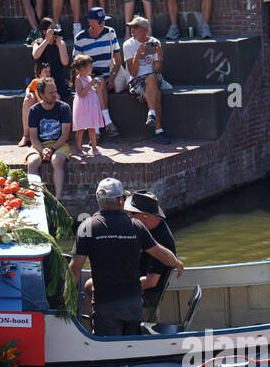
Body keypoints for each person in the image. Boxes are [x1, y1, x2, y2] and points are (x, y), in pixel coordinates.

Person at [70, 177, 183, 336]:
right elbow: (160, 252)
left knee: (107, 349)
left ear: (98, 199)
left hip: (105, 303)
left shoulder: (87, 226)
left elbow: (75, 269)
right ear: (120, 200)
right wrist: (176, 262)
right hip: (132, 304)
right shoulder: (136, 225)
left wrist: (66, 299)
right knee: (130, 345)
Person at [124, 190, 177, 318]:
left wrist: (120, 285)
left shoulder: (160, 241)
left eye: (133, 213)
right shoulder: (151, 228)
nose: (128, 215)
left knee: (92, 287)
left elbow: (151, 282)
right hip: (136, 281)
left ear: (146, 215)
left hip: (148, 295)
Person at [72, 6, 119, 136]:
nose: (103, 23)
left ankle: (96, 129)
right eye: (100, 21)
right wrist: (89, 77)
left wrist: (113, 76)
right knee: (98, 82)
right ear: (91, 22)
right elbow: (76, 64)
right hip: (87, 76)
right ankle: (107, 123)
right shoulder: (80, 37)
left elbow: (118, 59)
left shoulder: (110, 32)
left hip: (107, 75)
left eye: (104, 20)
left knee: (99, 82)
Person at [123, 14, 168, 144]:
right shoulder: (128, 45)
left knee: (152, 78)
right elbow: (133, 72)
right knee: (156, 92)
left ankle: (152, 115)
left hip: (152, 77)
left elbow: (156, 69)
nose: (132, 30)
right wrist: (138, 53)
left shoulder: (154, 42)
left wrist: (159, 57)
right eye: (131, 28)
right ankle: (158, 130)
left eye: (135, 28)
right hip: (136, 80)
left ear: (144, 30)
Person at [24, 76, 72, 197]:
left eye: (55, 91)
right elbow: (33, 137)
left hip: (58, 144)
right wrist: (42, 150)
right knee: (32, 162)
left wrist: (52, 149)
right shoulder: (34, 110)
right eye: (51, 93)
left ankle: (58, 198)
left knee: (57, 160)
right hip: (39, 144)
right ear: (41, 95)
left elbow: (65, 135)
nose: (55, 95)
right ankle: (34, 196)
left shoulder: (64, 108)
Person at [69, 53, 100, 155]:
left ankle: (94, 147)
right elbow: (81, 93)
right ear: (81, 68)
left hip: (91, 105)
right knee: (80, 128)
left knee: (92, 127)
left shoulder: (88, 77)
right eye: (88, 67)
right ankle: (78, 148)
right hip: (82, 106)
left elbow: (92, 89)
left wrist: (95, 84)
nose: (90, 69)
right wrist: (91, 84)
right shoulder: (78, 79)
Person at [33, 15, 70, 100]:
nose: (55, 31)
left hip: (58, 83)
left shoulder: (61, 43)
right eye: (52, 29)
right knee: (28, 100)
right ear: (44, 31)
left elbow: (65, 62)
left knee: (55, 97)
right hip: (43, 82)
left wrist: (59, 44)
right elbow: (35, 55)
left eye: (56, 28)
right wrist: (46, 40)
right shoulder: (38, 43)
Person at [20, 58, 52, 146]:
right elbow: (28, 88)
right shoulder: (35, 82)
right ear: (39, 74)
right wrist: (28, 94)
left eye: (49, 71)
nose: (48, 74)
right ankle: (26, 136)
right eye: (45, 71)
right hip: (38, 107)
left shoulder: (50, 83)